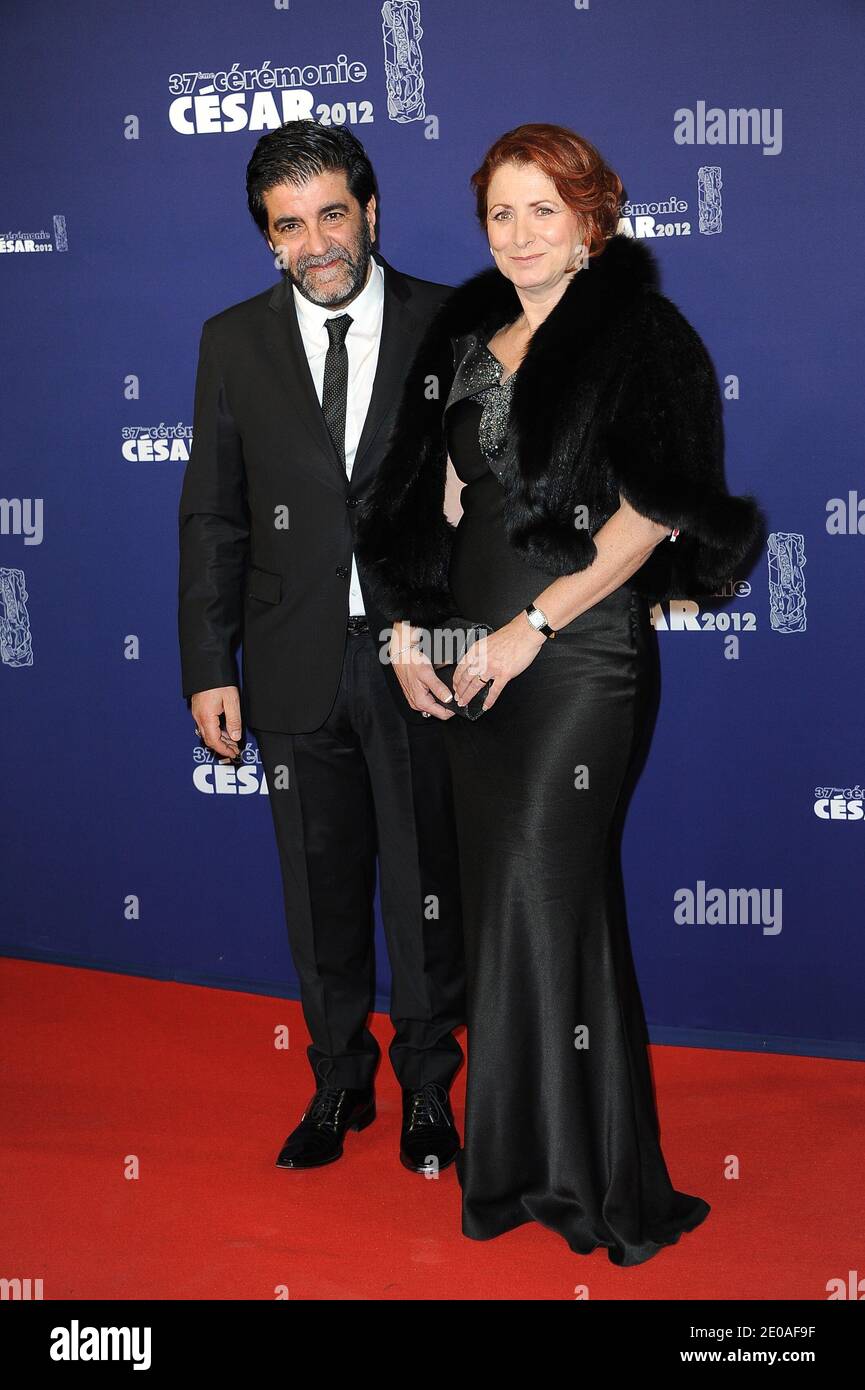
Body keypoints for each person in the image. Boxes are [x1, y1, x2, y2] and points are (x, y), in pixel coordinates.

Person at [356, 123, 763, 1264]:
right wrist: (413, 629)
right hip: (471, 648)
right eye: (501, 212)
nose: (521, 233)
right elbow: (426, 502)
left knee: (542, 884)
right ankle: (534, 1162)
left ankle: (589, 1180)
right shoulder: (467, 331)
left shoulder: (641, 332)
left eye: (545, 209)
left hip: (576, 652)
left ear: (592, 219)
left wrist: (533, 625)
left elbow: (654, 513)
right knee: (516, 905)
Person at [178, 123, 466, 1175]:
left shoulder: (448, 324)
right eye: (288, 225)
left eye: (331, 214)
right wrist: (209, 663)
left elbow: (473, 511)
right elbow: (213, 515)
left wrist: (437, 629)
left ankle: (430, 1088)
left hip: (415, 660)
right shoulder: (231, 341)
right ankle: (339, 1083)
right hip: (293, 661)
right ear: (268, 240)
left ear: (371, 213)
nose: (316, 243)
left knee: (428, 883)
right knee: (319, 886)